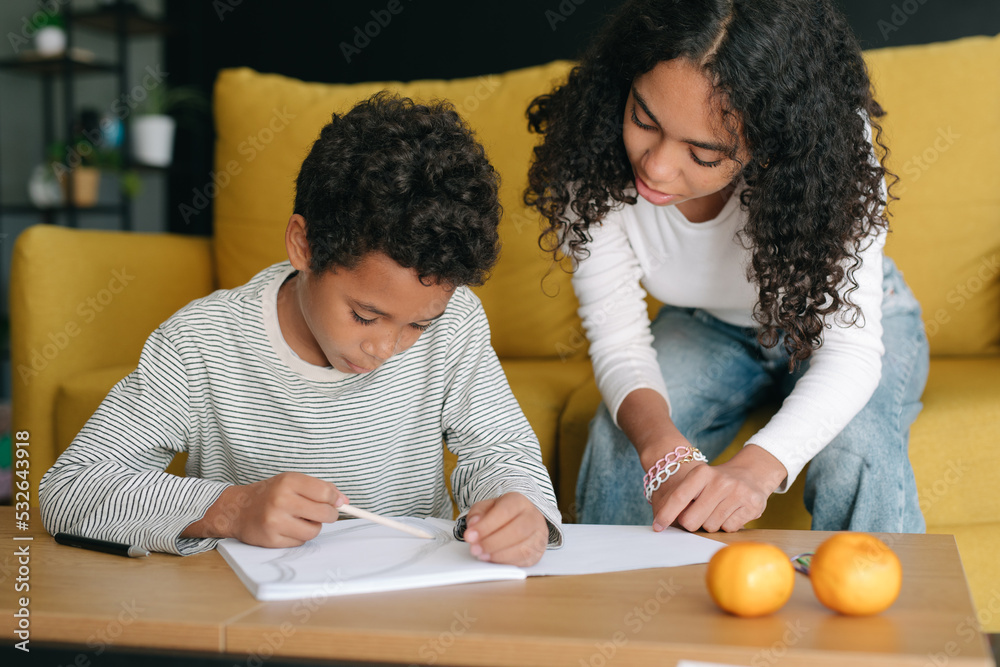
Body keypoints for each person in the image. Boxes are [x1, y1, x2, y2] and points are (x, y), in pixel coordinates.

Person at [40, 92, 562, 566]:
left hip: (408, 610)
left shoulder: (456, 322)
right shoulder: (200, 342)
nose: (386, 348)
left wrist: (519, 509)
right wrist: (231, 508)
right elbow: (71, 488)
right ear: (303, 246)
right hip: (243, 615)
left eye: (418, 325)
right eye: (364, 315)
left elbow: (502, 454)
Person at [524, 0, 929, 534]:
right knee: (622, 446)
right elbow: (618, 341)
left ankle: (871, 592)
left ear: (771, 146)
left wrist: (758, 469)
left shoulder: (832, 158)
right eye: (643, 119)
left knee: (859, 450)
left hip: (834, 327)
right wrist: (660, 447)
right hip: (709, 324)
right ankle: (616, 590)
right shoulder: (591, 156)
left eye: (703, 155)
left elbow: (848, 354)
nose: (656, 166)